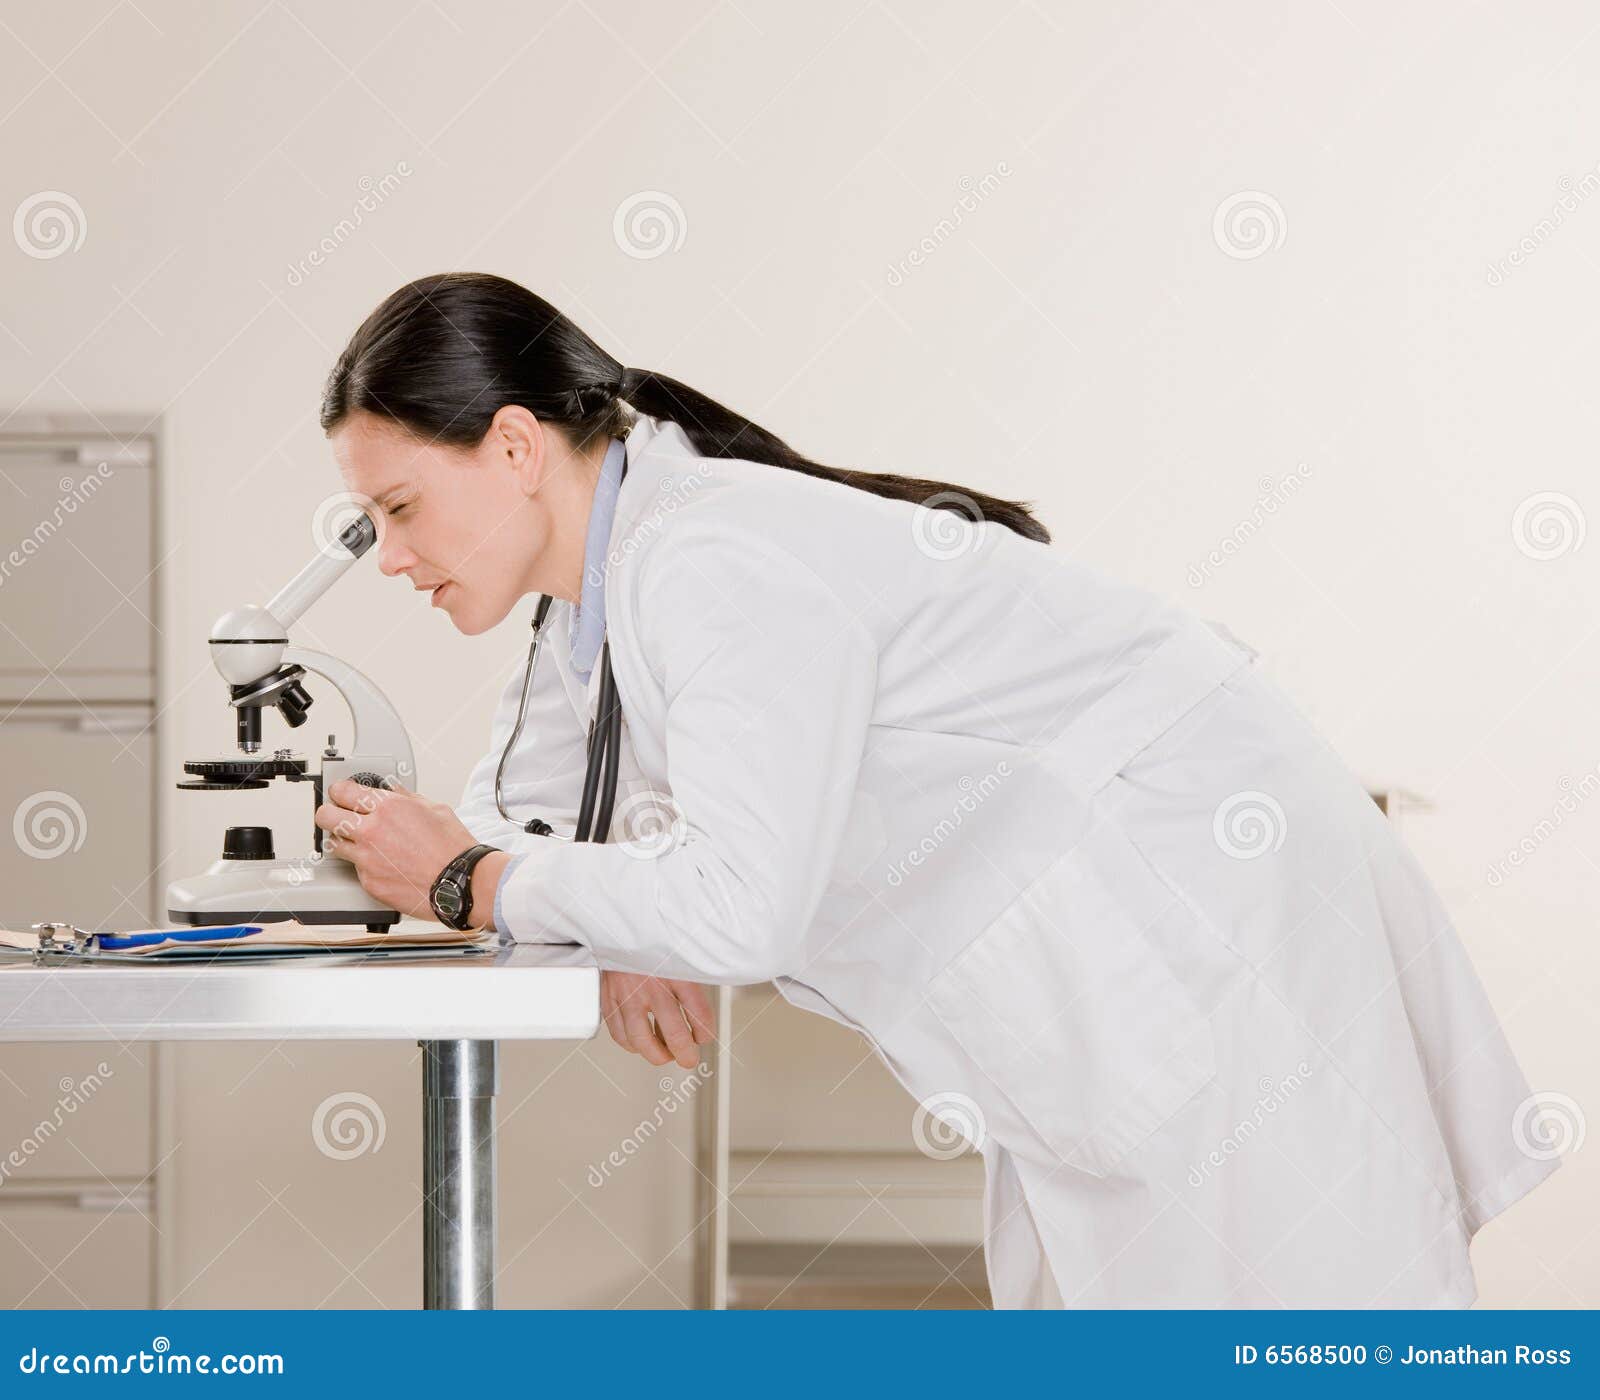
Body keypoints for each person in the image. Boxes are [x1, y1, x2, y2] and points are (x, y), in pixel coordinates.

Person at [313, 271, 1556, 1308]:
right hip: (1095, 980)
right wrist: (589, 901)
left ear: (517, 446)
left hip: (1202, 912)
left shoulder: (711, 558)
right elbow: (518, 820)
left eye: (402, 508)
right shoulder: (591, 609)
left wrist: (493, 883)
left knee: (1295, 1324)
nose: (396, 558)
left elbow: (715, 904)